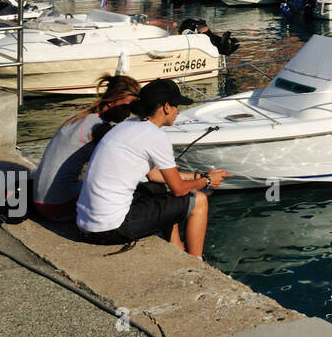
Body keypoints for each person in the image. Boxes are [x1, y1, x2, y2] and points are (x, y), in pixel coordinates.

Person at [76, 79, 229, 259]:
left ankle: (176, 246)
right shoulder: (155, 136)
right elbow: (179, 190)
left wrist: (195, 176)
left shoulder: (127, 126)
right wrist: (207, 181)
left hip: (86, 225)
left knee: (157, 189)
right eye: (176, 105)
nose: (178, 111)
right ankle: (197, 262)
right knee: (199, 200)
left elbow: (155, 175)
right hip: (111, 229)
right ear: (166, 107)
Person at [32, 75, 140, 221]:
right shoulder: (100, 128)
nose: (128, 114)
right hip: (57, 207)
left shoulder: (79, 116)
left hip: (39, 199)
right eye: (126, 107)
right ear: (113, 100)